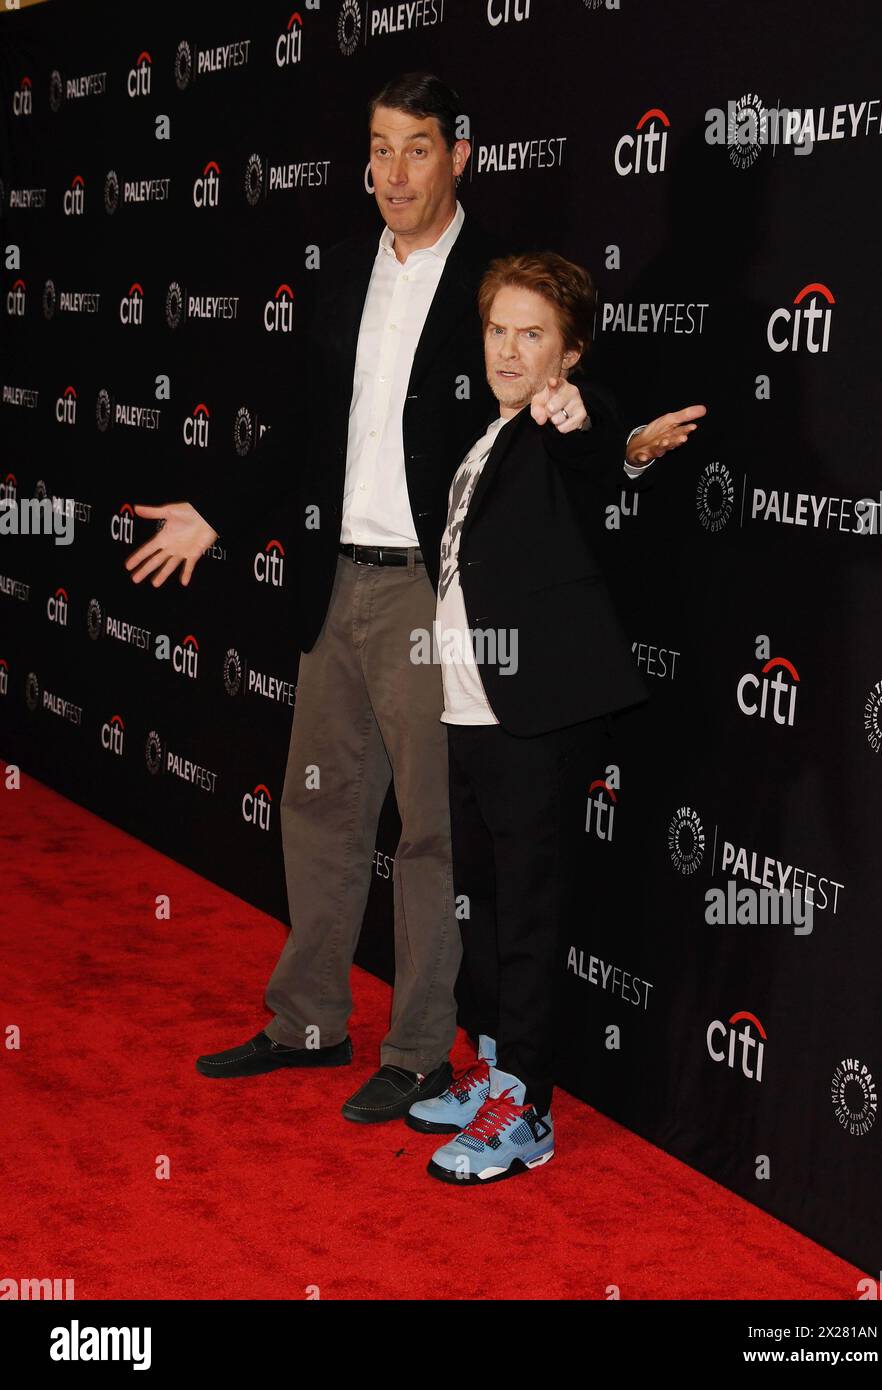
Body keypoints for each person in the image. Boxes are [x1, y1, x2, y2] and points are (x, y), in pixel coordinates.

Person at [124, 72, 705, 1125]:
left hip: (431, 598)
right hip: (331, 577)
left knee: (431, 832)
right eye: (379, 148)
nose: (393, 171)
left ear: (461, 155)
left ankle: (421, 1050)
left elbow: (569, 386)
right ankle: (306, 1020)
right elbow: (300, 424)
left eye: (417, 147)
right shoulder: (342, 270)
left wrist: (605, 428)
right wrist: (218, 514)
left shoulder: (494, 279)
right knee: (318, 808)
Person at [406, 252, 685, 1183]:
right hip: (469, 710)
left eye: (533, 334)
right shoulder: (485, 439)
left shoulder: (556, 423)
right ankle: (493, 1073)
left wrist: (603, 429)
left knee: (526, 914)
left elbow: (594, 440)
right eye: (498, 330)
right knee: (482, 908)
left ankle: (527, 1112)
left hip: (535, 719)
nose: (511, 350)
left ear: (569, 351)